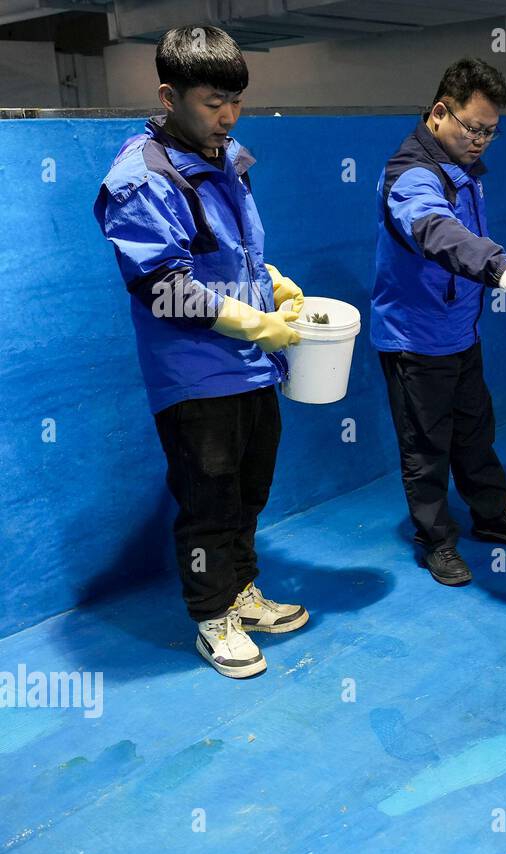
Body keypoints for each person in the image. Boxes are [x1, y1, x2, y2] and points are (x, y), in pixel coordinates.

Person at [93, 24, 308, 678]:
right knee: (208, 498)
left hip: (249, 369)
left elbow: (230, 251)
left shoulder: (224, 157)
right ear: (169, 96)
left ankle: (241, 590)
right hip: (194, 378)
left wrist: (269, 281)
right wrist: (251, 321)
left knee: (250, 489)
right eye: (215, 102)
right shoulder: (141, 177)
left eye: (237, 102)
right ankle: (212, 616)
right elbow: (163, 288)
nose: (230, 116)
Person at [372, 57, 506, 587]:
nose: (480, 141)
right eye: (472, 128)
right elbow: (436, 232)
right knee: (426, 447)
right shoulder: (409, 177)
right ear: (438, 114)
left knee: (475, 432)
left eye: (491, 133)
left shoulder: (462, 171)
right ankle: (435, 542)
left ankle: (491, 517)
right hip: (413, 340)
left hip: (458, 333)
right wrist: (500, 267)